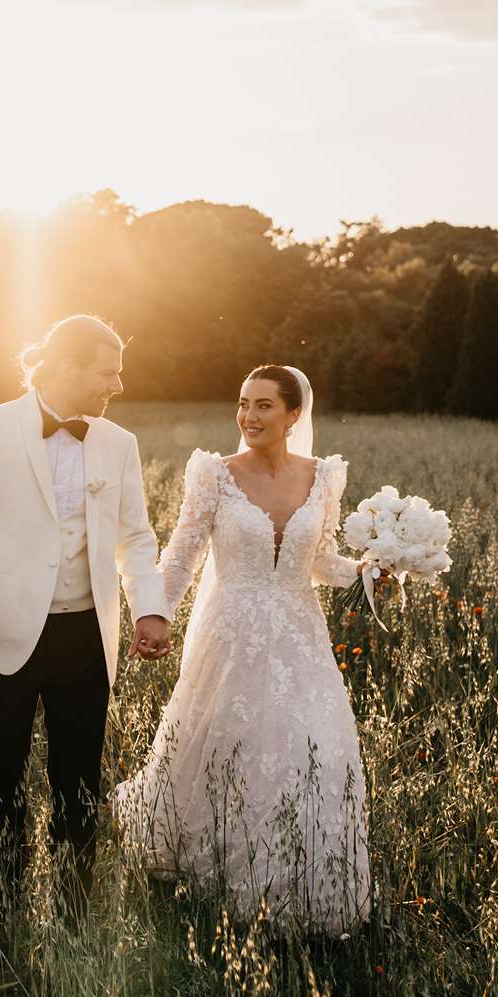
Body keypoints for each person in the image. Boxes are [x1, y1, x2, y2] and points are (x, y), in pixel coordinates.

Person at [111, 364, 374, 934]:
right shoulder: (215, 475)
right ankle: (216, 876)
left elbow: (322, 561)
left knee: (312, 749)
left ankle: (306, 889)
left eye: (263, 406)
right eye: (242, 404)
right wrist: (155, 615)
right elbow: (182, 556)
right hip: (229, 634)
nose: (248, 417)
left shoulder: (324, 478)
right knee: (228, 748)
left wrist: (371, 571)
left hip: (300, 635)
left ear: (293, 415)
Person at [0, 314, 173, 923]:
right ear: (66, 366)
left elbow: (136, 538)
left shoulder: (119, 443)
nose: (116, 385)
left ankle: (75, 911)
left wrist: (149, 608)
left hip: (88, 635)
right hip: (3, 636)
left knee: (79, 782)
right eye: (107, 371)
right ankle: (7, 905)